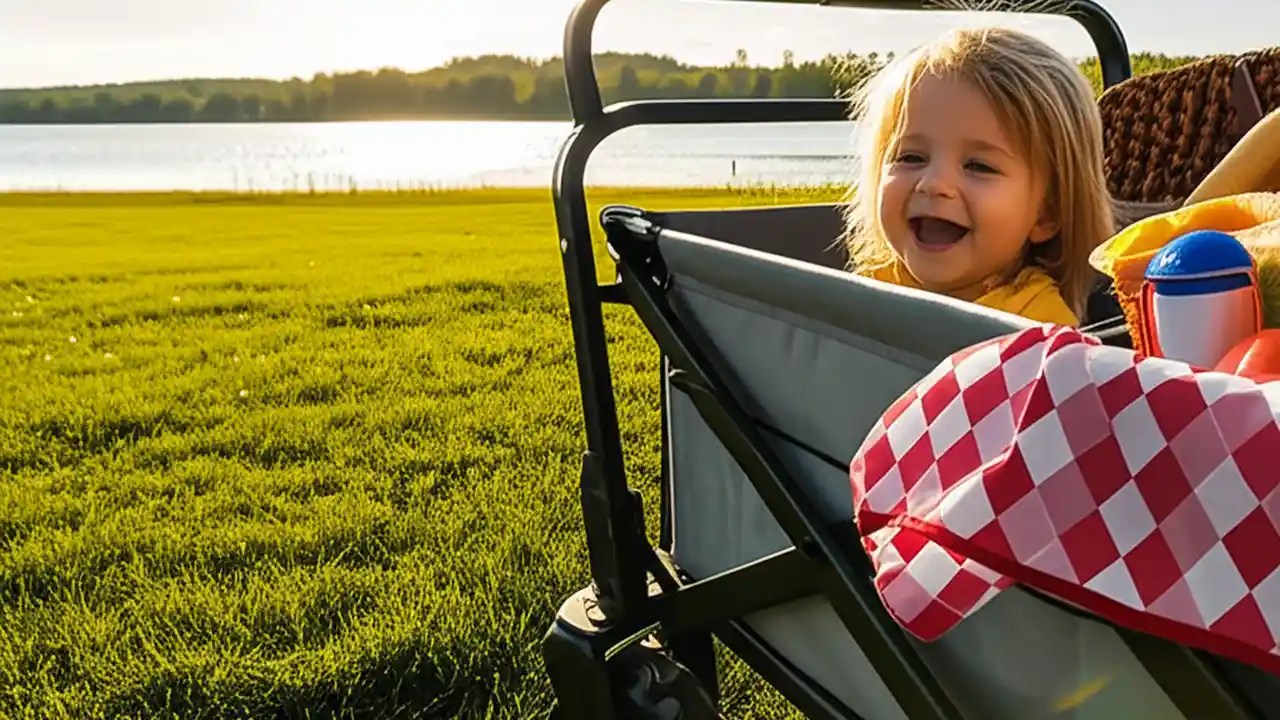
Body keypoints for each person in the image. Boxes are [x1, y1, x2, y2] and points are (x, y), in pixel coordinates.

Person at [840, 26, 1115, 327]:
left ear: (1046, 213)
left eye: (978, 166)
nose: (933, 184)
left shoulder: (1040, 338)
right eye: (910, 157)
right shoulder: (869, 289)